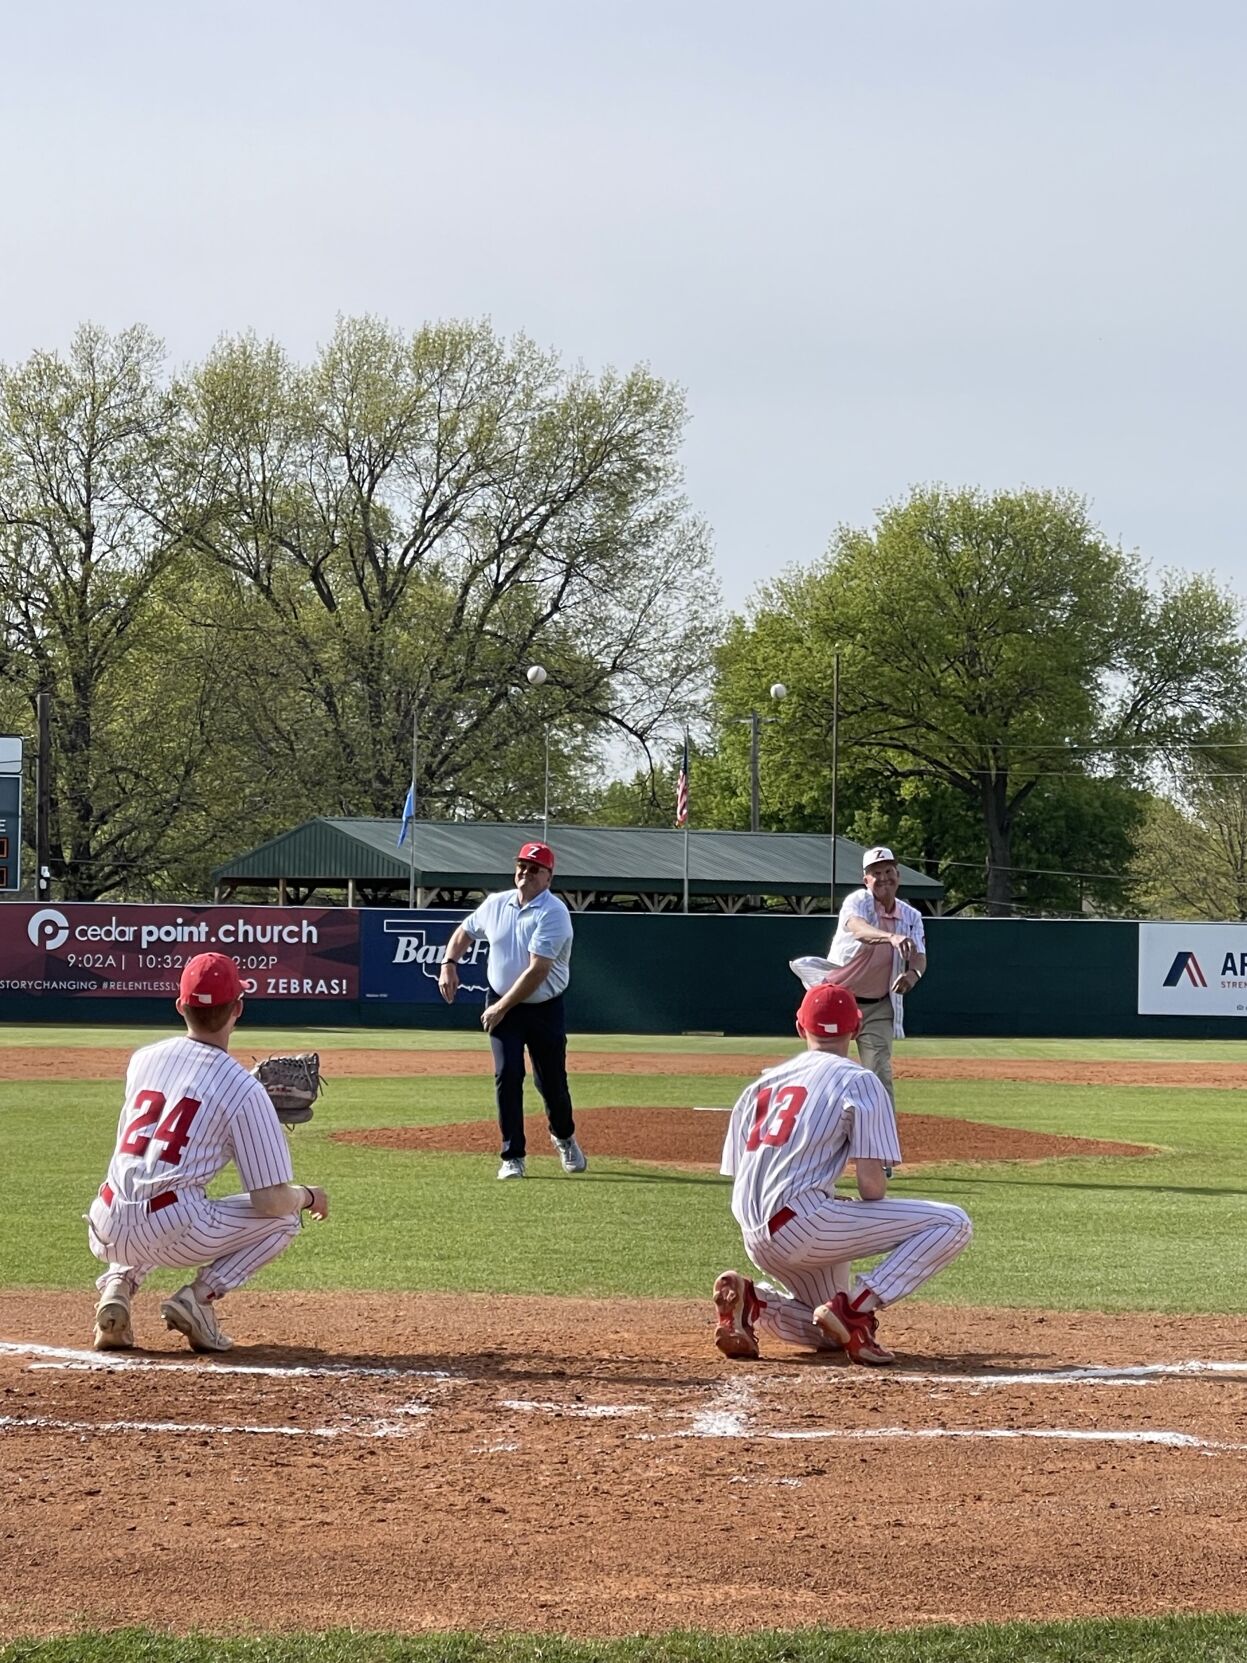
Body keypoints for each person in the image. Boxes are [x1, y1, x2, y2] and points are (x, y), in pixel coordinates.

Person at [713, 981, 971, 1365]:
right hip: (805, 1225)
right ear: (857, 1027)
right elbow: (871, 1188)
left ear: (800, 1027)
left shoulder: (759, 1086)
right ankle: (857, 1310)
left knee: (828, 1334)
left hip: (755, 1235)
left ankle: (756, 1303)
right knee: (953, 1223)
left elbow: (742, 1171)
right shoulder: (859, 1080)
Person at [85, 952, 329, 1355]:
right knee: (286, 1215)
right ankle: (197, 1298)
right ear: (238, 1008)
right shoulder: (243, 1091)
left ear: (181, 1006)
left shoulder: (141, 1060)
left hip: (106, 1222)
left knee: (145, 1185)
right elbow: (269, 1199)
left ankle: (117, 1288)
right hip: (173, 1227)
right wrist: (308, 1194)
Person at [438, 839, 587, 1181]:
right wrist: (449, 963)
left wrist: (501, 1007)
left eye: (536, 869)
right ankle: (512, 1156)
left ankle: (563, 1137)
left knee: (551, 1083)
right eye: (522, 865)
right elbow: (465, 930)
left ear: (549, 877)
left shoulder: (554, 912)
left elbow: (537, 971)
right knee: (508, 1076)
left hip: (542, 1006)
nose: (526, 872)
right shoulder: (496, 904)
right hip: (501, 1003)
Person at [792, 845, 927, 1108]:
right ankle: (815, 1121)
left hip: (877, 1005)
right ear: (866, 880)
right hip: (838, 998)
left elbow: (920, 955)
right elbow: (859, 929)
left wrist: (913, 974)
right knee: (824, 1066)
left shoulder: (911, 916)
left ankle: (883, 1136)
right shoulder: (858, 901)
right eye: (876, 873)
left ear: (898, 875)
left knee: (879, 1072)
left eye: (889, 871)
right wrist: (890, 937)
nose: (884, 878)